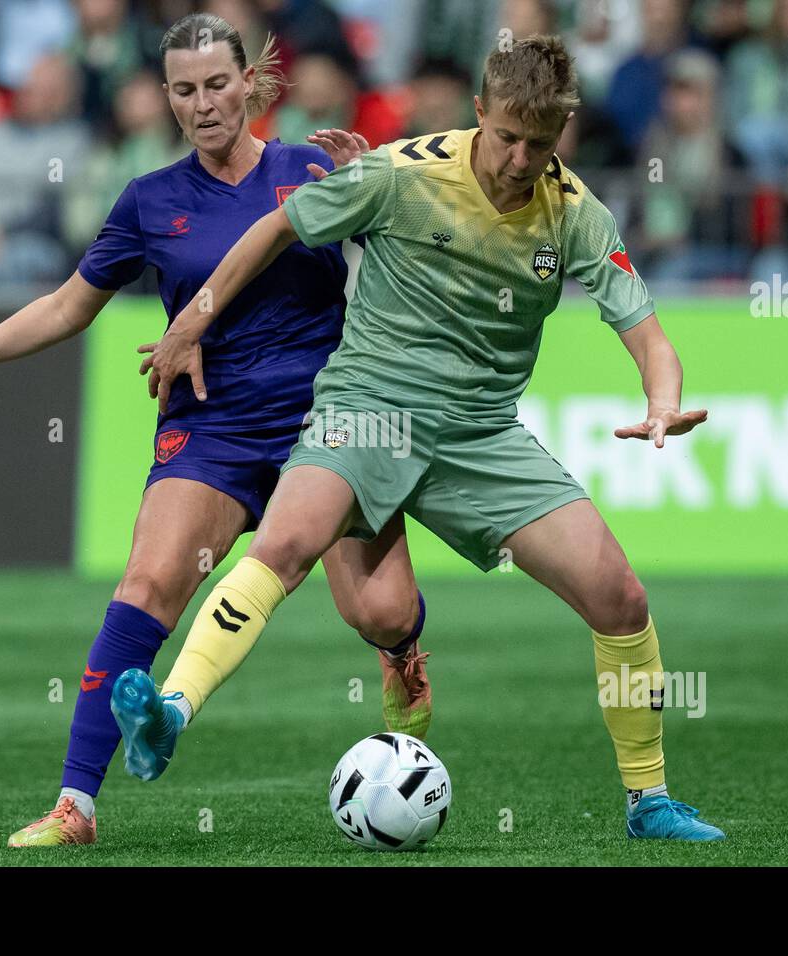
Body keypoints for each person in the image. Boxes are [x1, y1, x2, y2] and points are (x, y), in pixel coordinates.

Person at [113, 33, 725, 841]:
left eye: (538, 145)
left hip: (478, 433)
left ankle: (649, 800)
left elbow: (646, 332)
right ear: (480, 114)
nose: (517, 159)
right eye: (505, 137)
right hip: (367, 405)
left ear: (561, 137)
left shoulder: (577, 212)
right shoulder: (403, 171)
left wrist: (663, 401)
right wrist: (193, 320)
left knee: (621, 597)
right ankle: (171, 711)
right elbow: (275, 230)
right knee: (286, 546)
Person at [0, 13, 432, 848]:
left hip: (328, 419)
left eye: (216, 84)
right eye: (184, 89)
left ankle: (401, 651)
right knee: (146, 586)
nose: (204, 104)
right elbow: (67, 306)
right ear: (165, 96)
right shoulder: (149, 199)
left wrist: (380, 192)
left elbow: (416, 256)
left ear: (249, 82)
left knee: (382, 611)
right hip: (213, 426)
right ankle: (76, 805)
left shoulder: (309, 167)